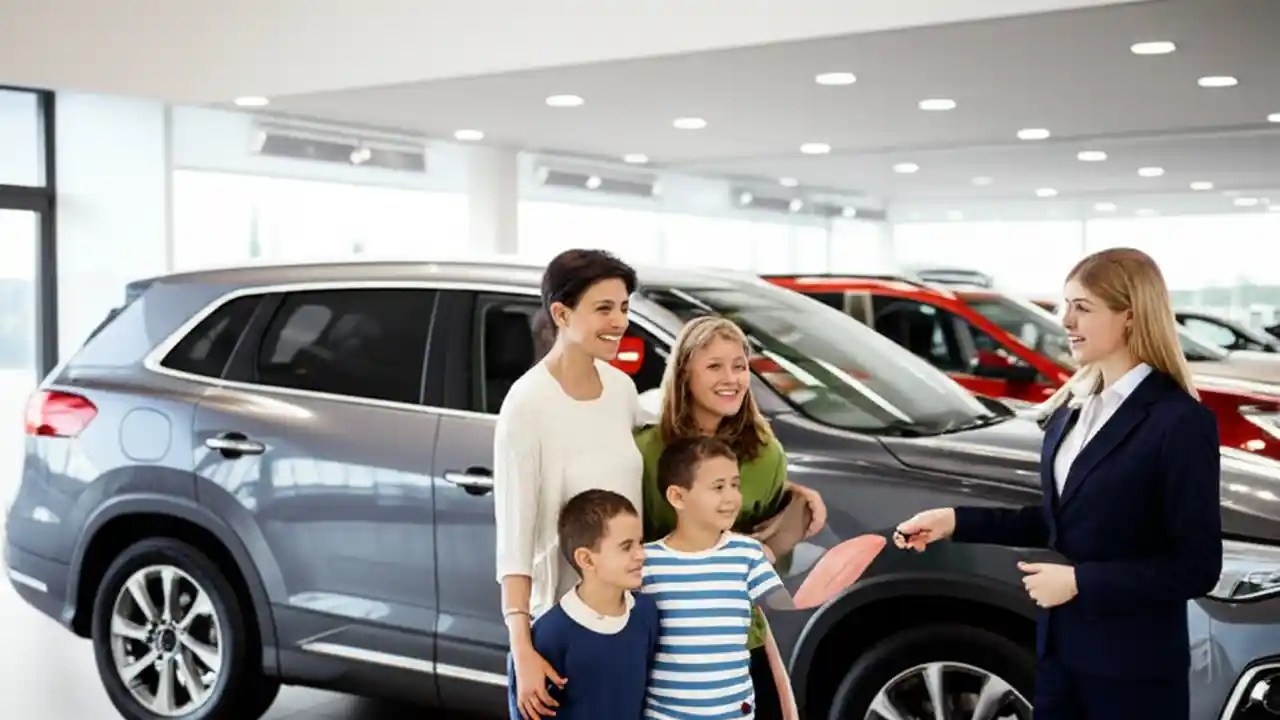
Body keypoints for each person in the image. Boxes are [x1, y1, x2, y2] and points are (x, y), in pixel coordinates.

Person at [893, 247, 1223, 720]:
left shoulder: (1179, 421)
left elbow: (1196, 566)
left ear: (1129, 316)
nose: (1065, 320)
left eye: (1082, 307)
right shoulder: (1073, 410)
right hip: (1061, 654)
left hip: (1135, 670)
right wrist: (953, 521)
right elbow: (1064, 521)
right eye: (1065, 304)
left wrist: (1079, 582)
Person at [633, 314, 825, 720]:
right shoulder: (647, 452)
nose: (732, 378)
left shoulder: (765, 454)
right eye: (715, 366)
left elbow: (771, 550)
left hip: (735, 648)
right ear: (684, 372)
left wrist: (795, 506)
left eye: (739, 366)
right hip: (663, 648)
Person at [495, 249, 647, 719]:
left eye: (624, 307)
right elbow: (513, 542)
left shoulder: (621, 390)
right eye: (603, 308)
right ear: (561, 313)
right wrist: (523, 648)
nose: (619, 321)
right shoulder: (528, 404)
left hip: (622, 618)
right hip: (558, 628)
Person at [641, 437, 798, 720]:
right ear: (677, 497)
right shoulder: (646, 563)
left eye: (735, 485)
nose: (731, 497)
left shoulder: (746, 554)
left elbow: (785, 622)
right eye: (718, 487)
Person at [507, 489, 660, 720]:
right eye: (626, 546)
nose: (641, 555)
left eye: (640, 543)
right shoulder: (549, 635)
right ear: (586, 559)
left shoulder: (645, 613)